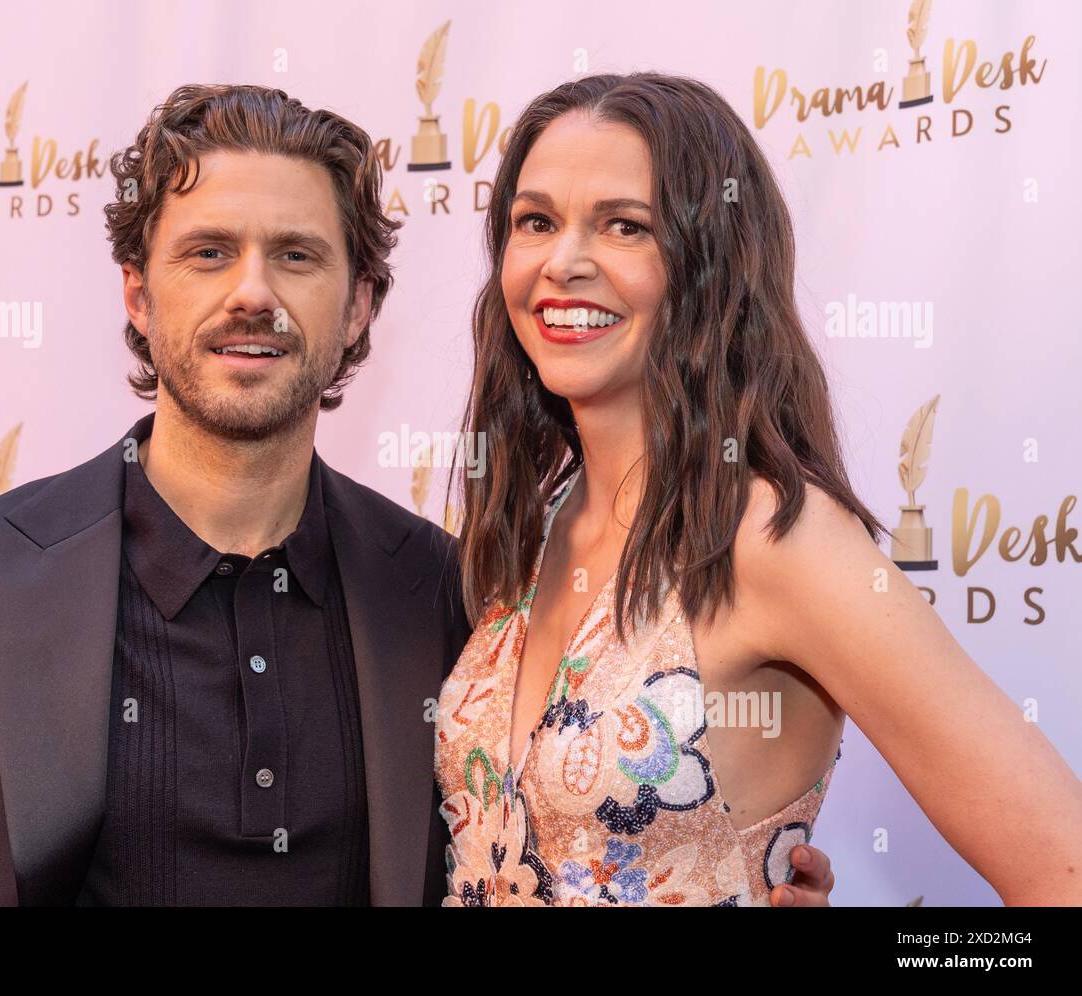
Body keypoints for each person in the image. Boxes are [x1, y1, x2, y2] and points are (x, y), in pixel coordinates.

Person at [0, 83, 837, 907]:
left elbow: (555, 850)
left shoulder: (449, 592)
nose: (252, 291)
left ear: (359, 305)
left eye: (297, 256)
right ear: (138, 296)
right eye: (207, 254)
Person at [434, 72, 1082, 906]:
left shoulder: (776, 537)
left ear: (711, 267)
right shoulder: (533, 525)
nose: (564, 262)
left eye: (625, 225)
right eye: (536, 222)